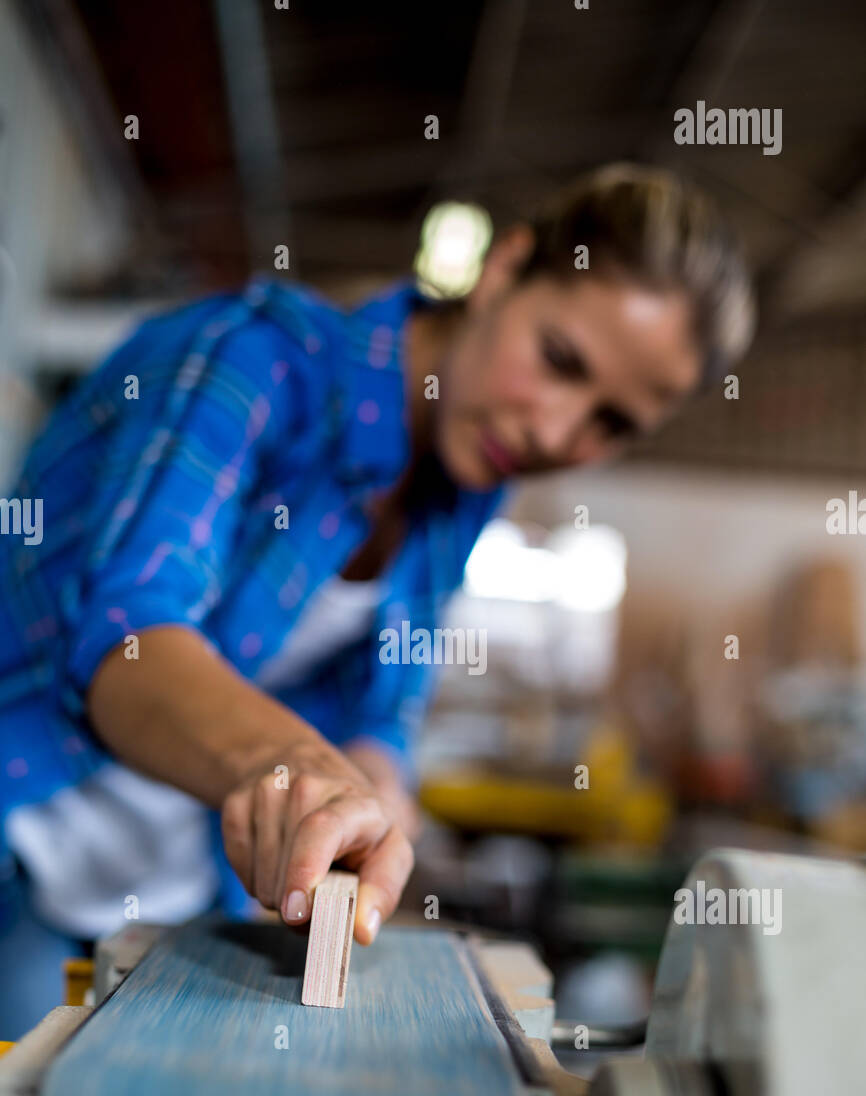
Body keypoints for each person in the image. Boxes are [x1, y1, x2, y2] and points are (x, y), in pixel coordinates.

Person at [0, 164, 755, 1036]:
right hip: (26, 847)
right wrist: (300, 771)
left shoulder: (462, 497)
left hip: (174, 903)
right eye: (559, 360)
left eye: (611, 422)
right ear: (503, 270)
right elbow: (128, 637)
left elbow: (384, 715)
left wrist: (377, 797)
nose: (555, 430)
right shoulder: (251, 360)